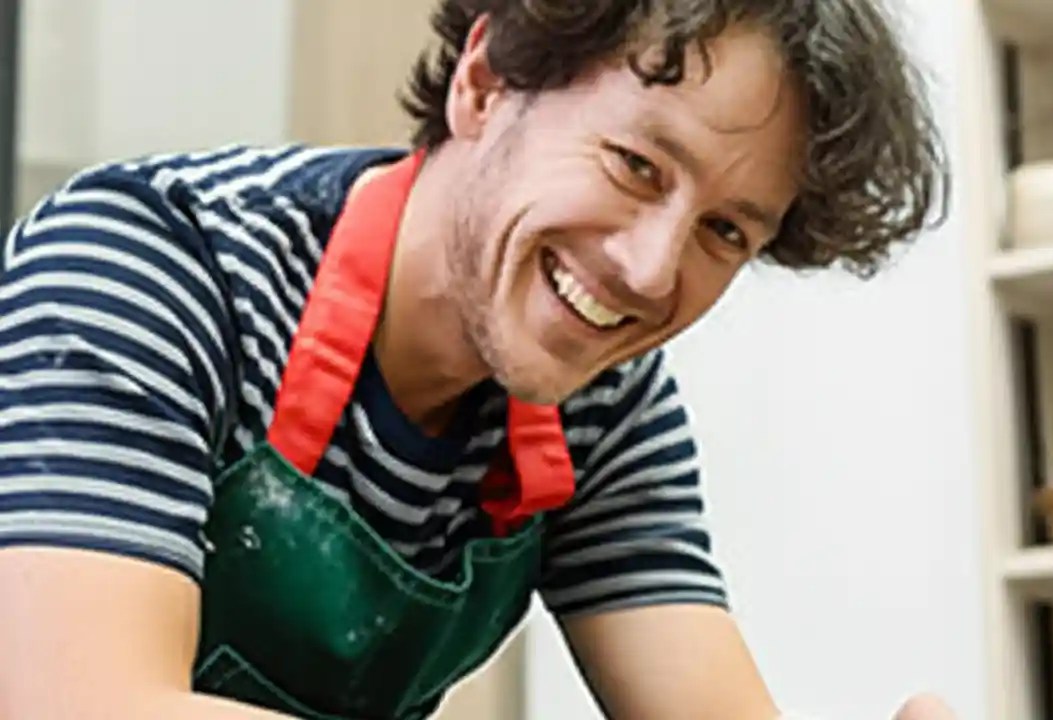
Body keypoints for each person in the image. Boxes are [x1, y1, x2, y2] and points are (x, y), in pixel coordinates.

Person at [0, 0, 951, 718]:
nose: (650, 269)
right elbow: (80, 703)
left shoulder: (606, 403)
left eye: (725, 231)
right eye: (636, 164)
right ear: (485, 83)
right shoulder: (149, 262)